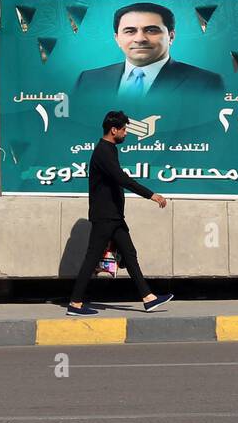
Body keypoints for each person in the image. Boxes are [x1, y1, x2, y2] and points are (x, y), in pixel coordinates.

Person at [66, 110, 173, 317]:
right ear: (114, 130)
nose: (126, 133)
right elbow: (123, 180)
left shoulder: (110, 149)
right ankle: (75, 304)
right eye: (124, 130)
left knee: (130, 255)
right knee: (92, 258)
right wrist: (152, 195)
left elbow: (118, 179)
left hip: (114, 215)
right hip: (105, 215)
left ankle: (148, 298)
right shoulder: (103, 152)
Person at [74, 1, 225, 108]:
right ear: (117, 39)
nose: (140, 39)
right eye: (130, 31)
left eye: (151, 30)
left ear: (171, 36)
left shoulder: (205, 83)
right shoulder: (88, 80)